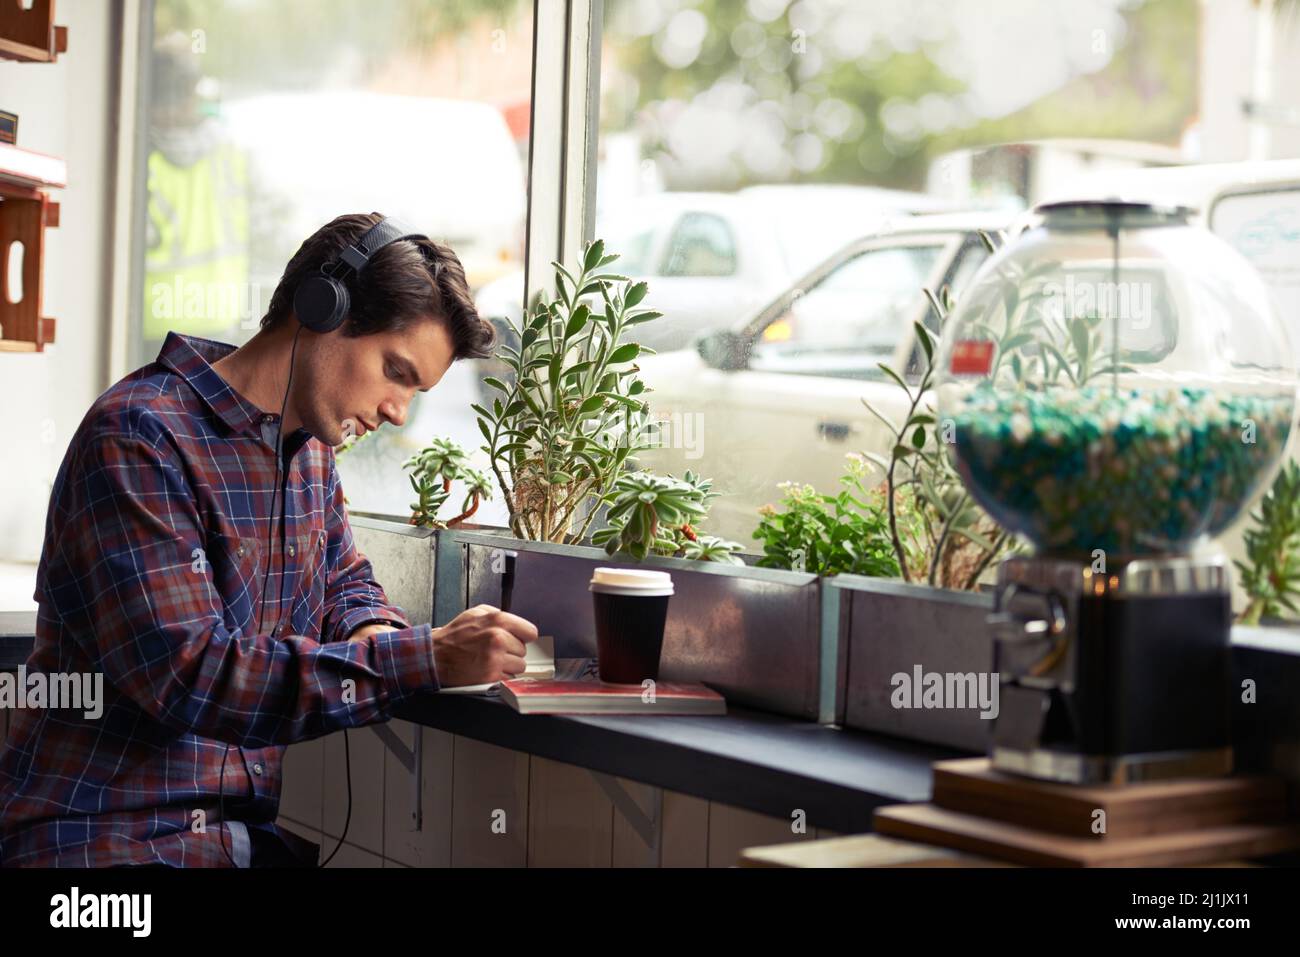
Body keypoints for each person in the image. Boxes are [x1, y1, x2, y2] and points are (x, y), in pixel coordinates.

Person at [0, 212, 538, 867]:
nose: (401, 410)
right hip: (97, 845)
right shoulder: (140, 440)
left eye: (416, 390)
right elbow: (192, 676)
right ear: (321, 309)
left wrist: (375, 632)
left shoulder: (310, 454)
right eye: (396, 370)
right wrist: (420, 658)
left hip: (229, 843)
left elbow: (345, 583)